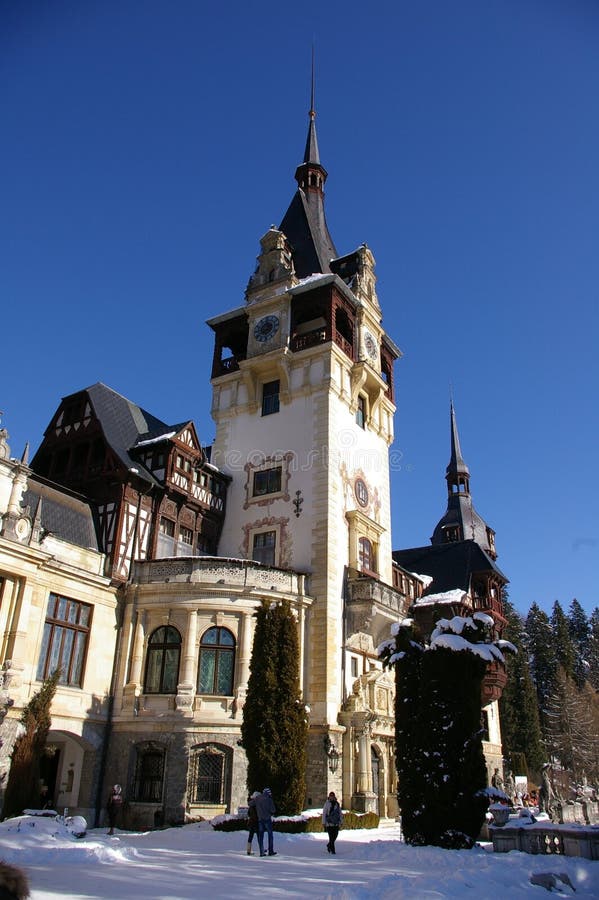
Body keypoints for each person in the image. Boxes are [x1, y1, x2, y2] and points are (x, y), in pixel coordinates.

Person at [255, 787, 276, 857]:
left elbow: (250, 804)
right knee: (270, 835)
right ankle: (270, 851)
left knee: (261, 836)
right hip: (267, 819)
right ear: (269, 793)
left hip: (260, 820)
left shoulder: (257, 798)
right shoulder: (269, 800)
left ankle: (261, 852)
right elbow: (273, 810)